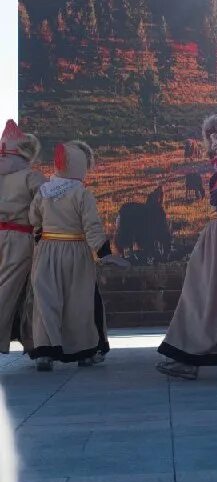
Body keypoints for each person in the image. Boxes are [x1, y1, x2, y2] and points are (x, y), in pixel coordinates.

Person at [156, 112, 217, 379]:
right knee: (208, 293)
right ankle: (189, 354)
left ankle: (190, 356)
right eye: (211, 134)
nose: (215, 140)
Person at [29, 141, 121, 370]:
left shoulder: (44, 191)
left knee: (46, 302)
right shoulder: (82, 194)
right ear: (81, 166)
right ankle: (84, 352)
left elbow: (34, 220)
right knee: (79, 302)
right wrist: (105, 253)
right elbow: (92, 227)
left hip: (47, 251)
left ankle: (45, 353)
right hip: (75, 252)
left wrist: (42, 237)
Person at [0, 120, 44, 356]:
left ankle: (31, 340)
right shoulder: (30, 176)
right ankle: (32, 340)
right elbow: (45, 202)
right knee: (24, 290)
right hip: (22, 238)